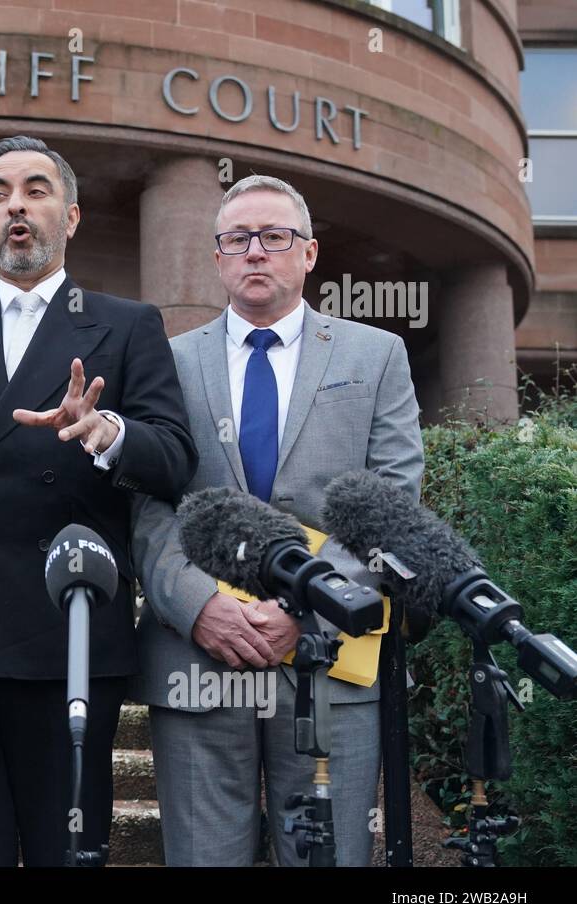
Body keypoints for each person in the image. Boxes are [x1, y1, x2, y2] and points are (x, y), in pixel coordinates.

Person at [0, 135, 197, 866]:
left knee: (68, 851)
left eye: (35, 189)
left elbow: (177, 460)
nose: (16, 206)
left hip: (75, 636)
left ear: (72, 215)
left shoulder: (128, 325)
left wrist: (108, 432)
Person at [130, 174, 424, 866]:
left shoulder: (375, 356)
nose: (255, 252)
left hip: (331, 660)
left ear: (309, 253)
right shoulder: (166, 364)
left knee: (330, 856)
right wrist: (199, 607)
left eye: (274, 237)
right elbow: (148, 504)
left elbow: (394, 502)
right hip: (201, 657)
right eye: (237, 239)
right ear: (217, 258)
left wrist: (313, 606)